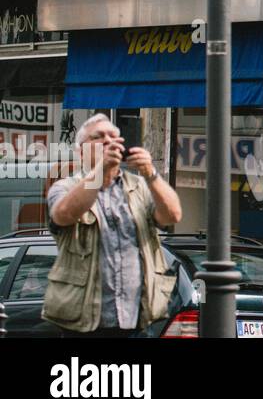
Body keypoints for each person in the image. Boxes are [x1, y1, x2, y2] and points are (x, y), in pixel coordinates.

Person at [44, 113, 183, 336]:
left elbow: (172, 215)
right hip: (84, 321)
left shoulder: (139, 187)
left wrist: (151, 173)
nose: (109, 142)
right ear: (80, 151)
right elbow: (63, 215)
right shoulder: (65, 186)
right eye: (99, 138)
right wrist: (101, 171)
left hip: (136, 319)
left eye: (114, 138)